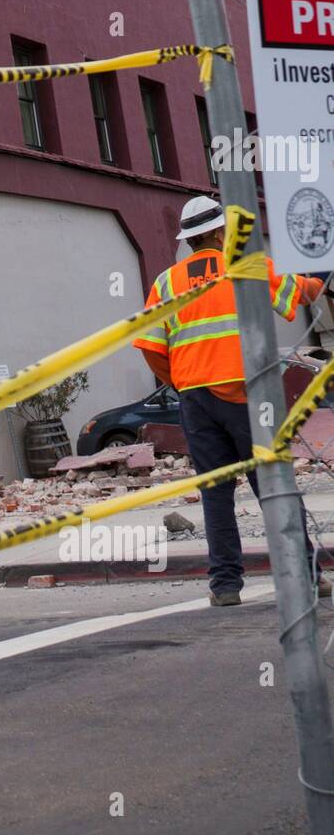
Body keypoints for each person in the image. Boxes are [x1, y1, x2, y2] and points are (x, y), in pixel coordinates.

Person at [133, 194, 332, 606]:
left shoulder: (166, 282)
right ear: (222, 232)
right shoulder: (246, 265)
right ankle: (309, 575)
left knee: (216, 493)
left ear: (188, 241)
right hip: (248, 394)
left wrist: (183, 382)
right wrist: (322, 275)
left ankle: (225, 585)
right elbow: (304, 291)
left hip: (196, 398)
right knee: (273, 487)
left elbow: (151, 348)